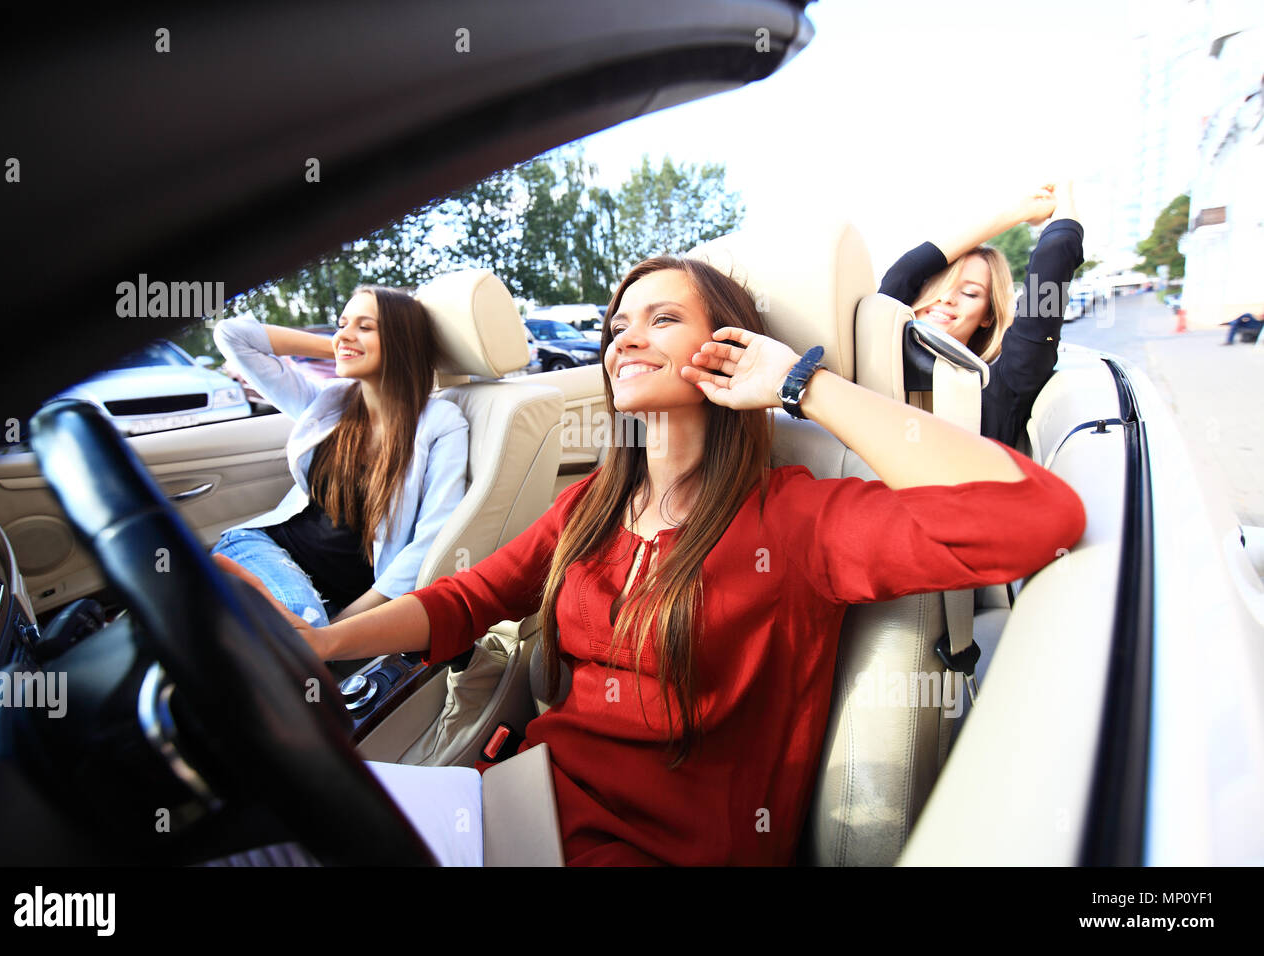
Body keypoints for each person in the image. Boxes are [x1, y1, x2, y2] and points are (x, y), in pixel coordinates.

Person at [217, 256, 1086, 866]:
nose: (625, 339)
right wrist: (322, 644)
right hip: (512, 804)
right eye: (616, 325)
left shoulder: (796, 518)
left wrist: (802, 384)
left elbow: (1035, 515)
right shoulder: (592, 502)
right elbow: (468, 599)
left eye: (663, 319)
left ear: (729, 350)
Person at [210, 286, 468, 627]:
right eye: (341, 324)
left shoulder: (441, 423)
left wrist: (341, 627)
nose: (344, 334)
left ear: (401, 340)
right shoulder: (329, 402)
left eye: (365, 326)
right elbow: (232, 335)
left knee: (290, 640)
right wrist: (345, 345)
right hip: (262, 552)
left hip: (333, 599)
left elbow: (433, 539)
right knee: (302, 630)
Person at [878, 182, 1085, 447]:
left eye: (970, 293)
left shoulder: (1002, 388)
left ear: (988, 317)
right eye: (937, 286)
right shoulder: (874, 360)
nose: (945, 298)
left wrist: (1063, 191)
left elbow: (1054, 265)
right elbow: (905, 272)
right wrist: (1018, 212)